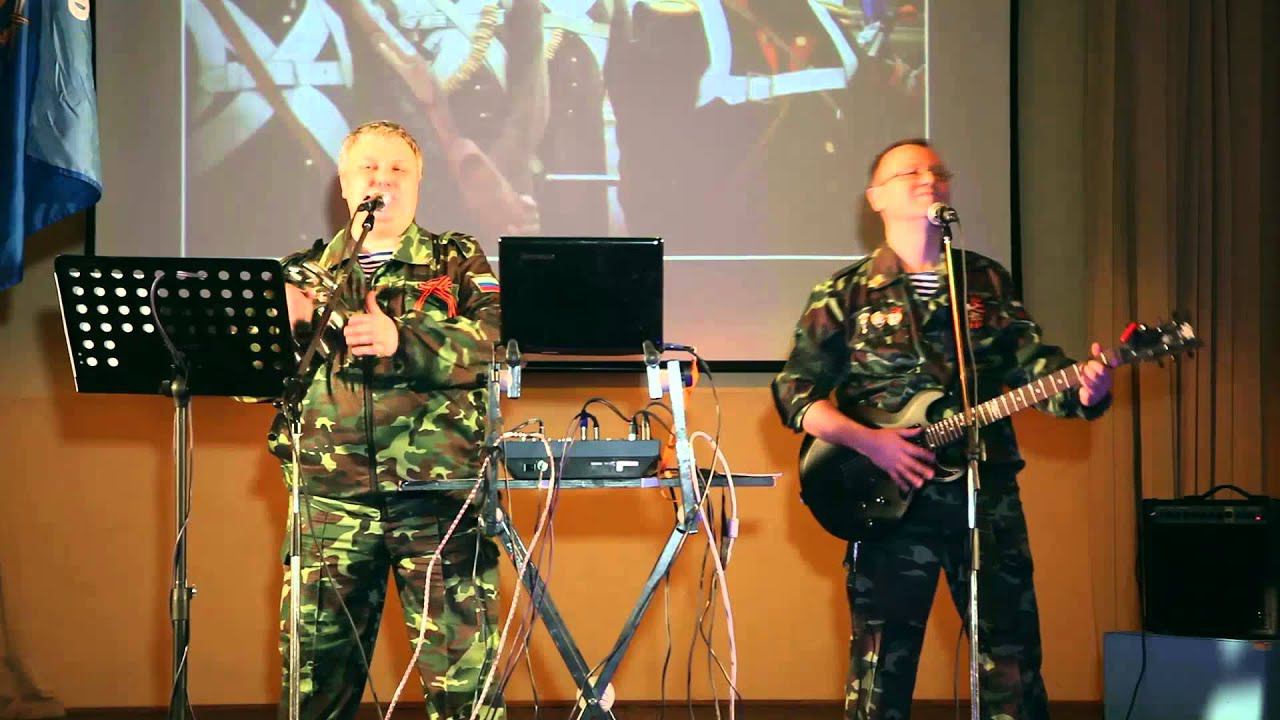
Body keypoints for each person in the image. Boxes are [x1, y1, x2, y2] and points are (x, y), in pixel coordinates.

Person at [771, 138, 1113, 720]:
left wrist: (1085, 388)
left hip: (985, 498)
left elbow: (1031, 366)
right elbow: (794, 391)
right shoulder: (846, 293)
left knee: (1011, 664)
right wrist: (870, 442)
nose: (928, 179)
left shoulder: (984, 281)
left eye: (937, 171)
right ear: (876, 198)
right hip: (887, 503)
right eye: (909, 172)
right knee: (880, 672)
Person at [275, 120, 504, 720]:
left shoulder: (456, 260)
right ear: (344, 185)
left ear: (419, 183)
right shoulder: (301, 274)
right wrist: (285, 332)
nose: (383, 180)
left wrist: (404, 339)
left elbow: (497, 343)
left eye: (398, 170)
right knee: (313, 689)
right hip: (329, 506)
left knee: (465, 692)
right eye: (369, 169)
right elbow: (255, 387)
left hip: (439, 501)